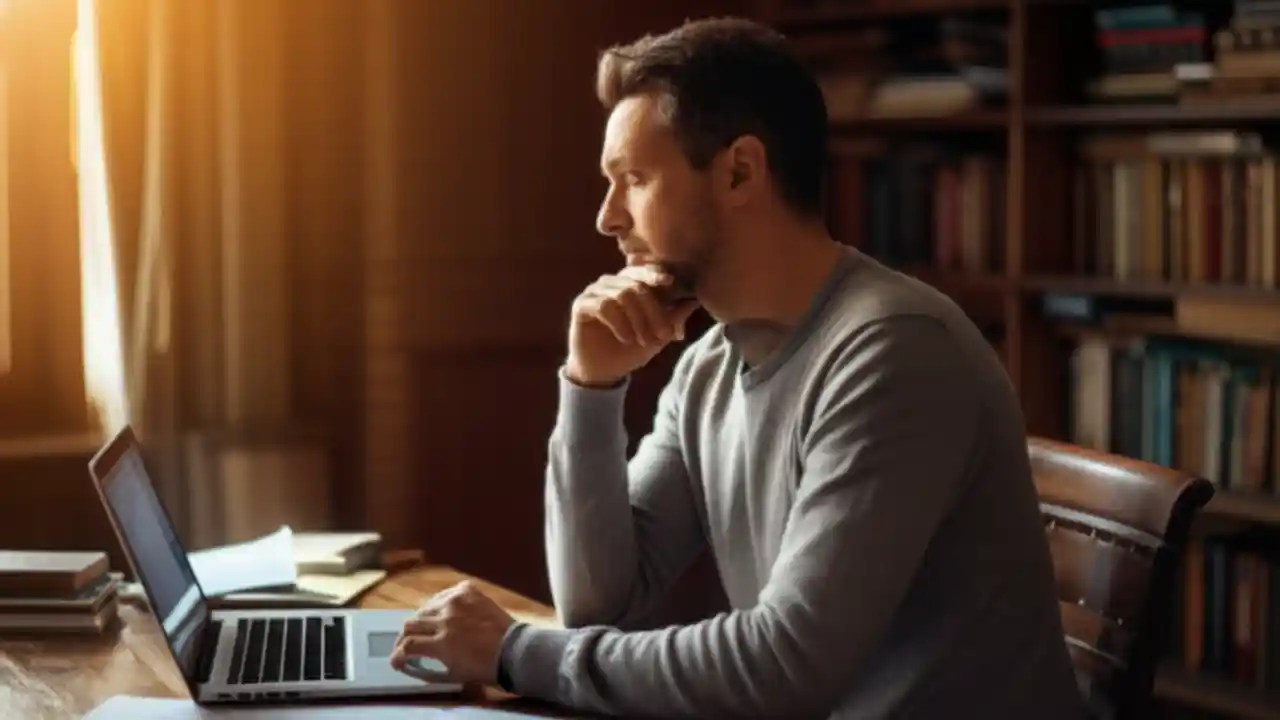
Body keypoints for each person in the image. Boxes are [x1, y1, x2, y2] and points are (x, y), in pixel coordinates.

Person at [391, 17, 1084, 719]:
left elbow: (785, 664)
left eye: (634, 179)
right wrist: (591, 386)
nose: (606, 217)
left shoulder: (893, 352)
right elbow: (602, 605)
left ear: (739, 171)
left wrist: (514, 652)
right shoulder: (712, 365)